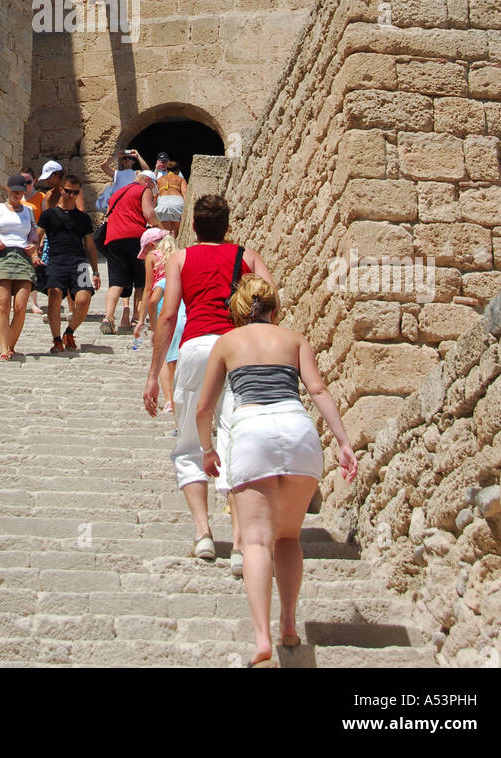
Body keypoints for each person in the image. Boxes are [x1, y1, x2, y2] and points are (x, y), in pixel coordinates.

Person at [196, 274, 357, 667]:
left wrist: (207, 450)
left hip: (252, 432)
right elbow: (318, 390)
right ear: (274, 308)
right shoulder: (294, 339)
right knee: (288, 537)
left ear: (238, 310)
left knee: (255, 541)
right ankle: (288, 624)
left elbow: (204, 408)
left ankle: (262, 640)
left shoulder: (227, 342)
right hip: (298, 432)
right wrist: (344, 442)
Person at [143, 193, 274, 564]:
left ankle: (203, 533)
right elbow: (270, 300)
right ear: (227, 226)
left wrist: (153, 375)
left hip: (196, 348)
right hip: (237, 349)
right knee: (235, 439)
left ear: (194, 227)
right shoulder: (246, 256)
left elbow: (168, 316)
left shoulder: (181, 259)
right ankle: (239, 541)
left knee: (189, 442)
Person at [0, 175, 41, 361]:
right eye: (14, 191)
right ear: (7, 190)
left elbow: (34, 239)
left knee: (20, 306)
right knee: (3, 305)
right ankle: (4, 349)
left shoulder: (29, 211)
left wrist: (34, 249)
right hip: (3, 257)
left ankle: (11, 345)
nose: (17, 194)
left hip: (23, 258)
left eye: (20, 191)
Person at [35, 174, 101, 353]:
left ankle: (69, 332)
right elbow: (36, 237)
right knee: (54, 294)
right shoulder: (48, 215)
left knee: (83, 299)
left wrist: (96, 272)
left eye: (75, 192)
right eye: (68, 191)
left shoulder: (83, 219)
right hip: (56, 260)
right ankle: (56, 339)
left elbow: (90, 246)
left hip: (78, 262)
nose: (71, 195)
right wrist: (33, 254)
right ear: (61, 190)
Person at [100, 170, 157, 335]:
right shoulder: (144, 190)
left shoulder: (117, 193)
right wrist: (160, 226)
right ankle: (135, 319)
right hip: (135, 238)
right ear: (148, 181)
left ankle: (108, 317)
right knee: (140, 283)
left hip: (113, 239)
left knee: (116, 283)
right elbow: (149, 214)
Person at [134, 230, 181, 414]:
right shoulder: (179, 255)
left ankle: (169, 399)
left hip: (162, 303)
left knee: (161, 354)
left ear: (151, 245)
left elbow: (148, 290)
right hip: (180, 303)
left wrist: (142, 320)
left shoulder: (152, 257)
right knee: (177, 352)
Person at [21, 168, 45, 314]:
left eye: (28, 182)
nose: (25, 185)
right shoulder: (16, 197)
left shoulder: (41, 197)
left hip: (34, 239)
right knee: (17, 270)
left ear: (34, 181)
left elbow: (45, 220)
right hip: (18, 238)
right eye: (22, 181)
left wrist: (42, 240)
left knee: (33, 270)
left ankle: (34, 303)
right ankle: (16, 302)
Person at [155, 159, 187, 237]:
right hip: (178, 203)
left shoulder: (159, 180)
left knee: (165, 235)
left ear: (167, 170)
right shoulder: (180, 179)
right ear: (178, 171)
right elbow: (185, 194)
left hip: (163, 203)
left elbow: (155, 196)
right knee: (176, 235)